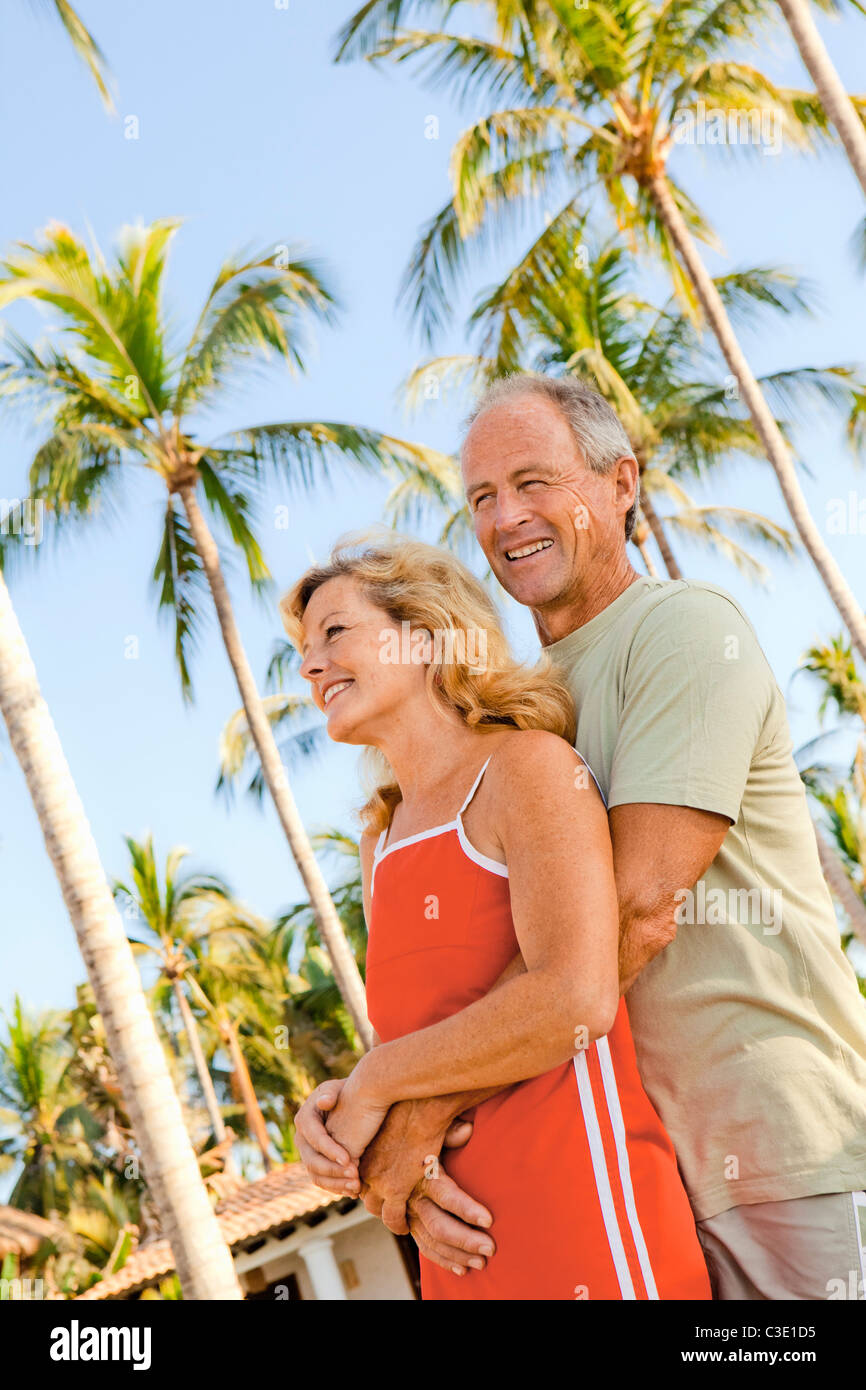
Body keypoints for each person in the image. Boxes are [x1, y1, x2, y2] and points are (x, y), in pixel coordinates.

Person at [296, 373, 866, 1301]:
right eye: (482, 497)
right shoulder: (516, 713)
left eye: (534, 481)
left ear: (620, 484)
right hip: (639, 1176)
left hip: (769, 1151)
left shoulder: (682, 631)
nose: (506, 515)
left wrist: (411, 1113)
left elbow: (633, 913)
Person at [281, 535, 711, 1300]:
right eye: (304, 648)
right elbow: (428, 1049)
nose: (311, 665)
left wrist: (376, 1079)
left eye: (335, 632)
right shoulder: (380, 841)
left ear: (426, 635)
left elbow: (575, 996)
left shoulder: (529, 769)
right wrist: (348, 1125)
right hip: (460, 1250)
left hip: (588, 1225)